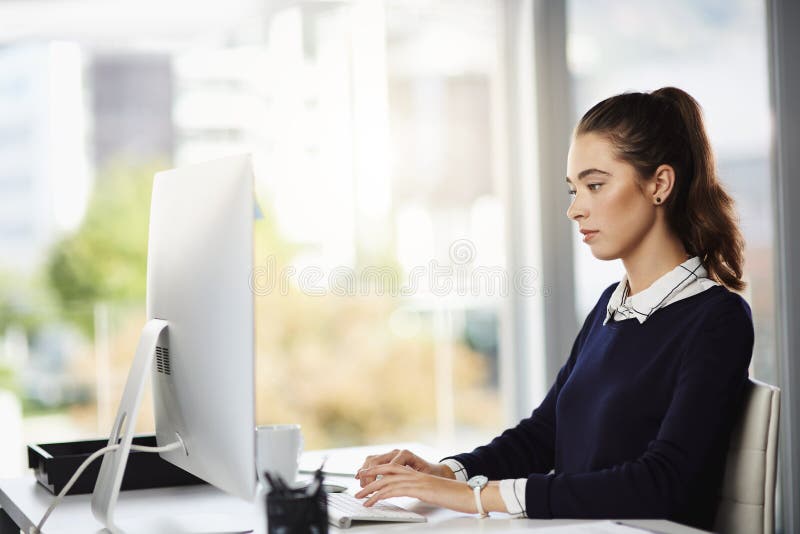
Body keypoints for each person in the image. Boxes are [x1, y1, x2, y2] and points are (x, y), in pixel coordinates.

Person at [354, 87, 753, 531]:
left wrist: (476, 498)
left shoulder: (718, 319)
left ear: (659, 184)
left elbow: (662, 483)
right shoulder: (612, 305)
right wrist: (446, 473)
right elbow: (545, 434)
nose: (575, 209)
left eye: (595, 185)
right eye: (573, 189)